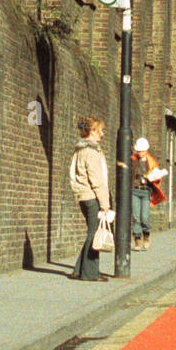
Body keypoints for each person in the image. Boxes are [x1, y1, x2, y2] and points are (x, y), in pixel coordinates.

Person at [69, 117, 113, 281]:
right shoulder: (91, 152)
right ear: (92, 131)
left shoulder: (79, 150)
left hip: (82, 195)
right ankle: (90, 273)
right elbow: (97, 180)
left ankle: (78, 270)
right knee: (94, 234)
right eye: (100, 130)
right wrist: (105, 203)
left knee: (91, 232)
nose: (102, 134)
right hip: (92, 196)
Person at [131, 136, 160, 250]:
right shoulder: (133, 160)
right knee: (136, 217)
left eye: (142, 151)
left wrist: (153, 177)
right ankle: (137, 241)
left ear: (146, 150)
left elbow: (157, 176)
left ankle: (146, 235)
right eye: (139, 151)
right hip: (135, 190)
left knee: (144, 217)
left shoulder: (151, 162)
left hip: (146, 191)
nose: (140, 153)